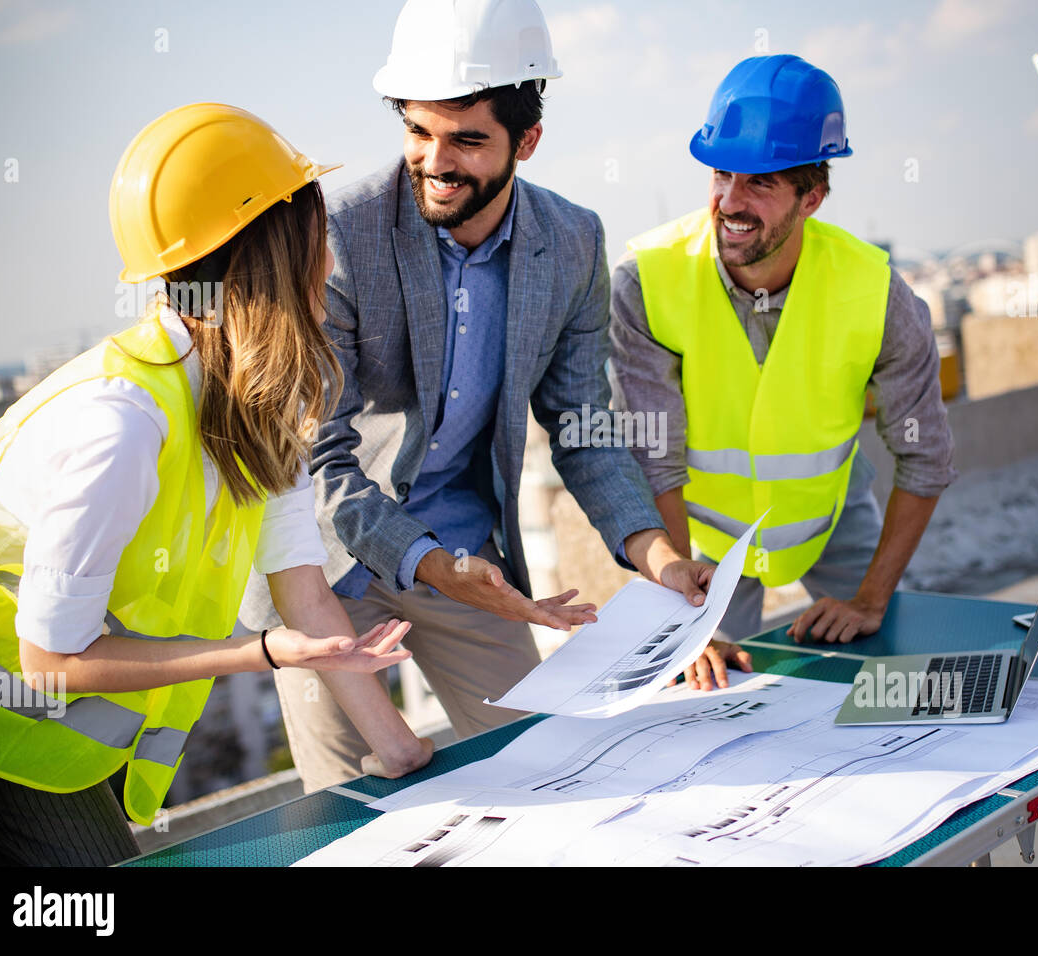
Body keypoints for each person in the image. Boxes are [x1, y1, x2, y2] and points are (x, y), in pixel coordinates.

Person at [240, 0, 737, 795]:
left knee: (540, 777)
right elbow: (313, 457)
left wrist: (659, 558)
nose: (435, 162)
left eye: (467, 140)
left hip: (473, 559)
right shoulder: (335, 232)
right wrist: (429, 565)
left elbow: (582, 426)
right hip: (327, 567)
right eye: (418, 131)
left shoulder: (573, 240)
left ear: (527, 142)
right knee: (351, 816)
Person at [0, 103, 434, 866]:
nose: (329, 265)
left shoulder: (258, 407)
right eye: (317, 242)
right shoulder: (121, 424)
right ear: (271, 258)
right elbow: (50, 657)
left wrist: (405, 752)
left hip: (24, 726)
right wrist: (261, 655)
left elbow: (305, 597)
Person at [610, 55, 957, 655]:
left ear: (813, 197)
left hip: (831, 516)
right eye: (722, 173)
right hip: (707, 534)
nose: (729, 202)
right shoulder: (648, 279)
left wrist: (871, 599)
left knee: (887, 666)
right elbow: (653, 460)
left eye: (761, 182)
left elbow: (926, 457)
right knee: (701, 691)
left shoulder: (876, 292)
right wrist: (684, 623)